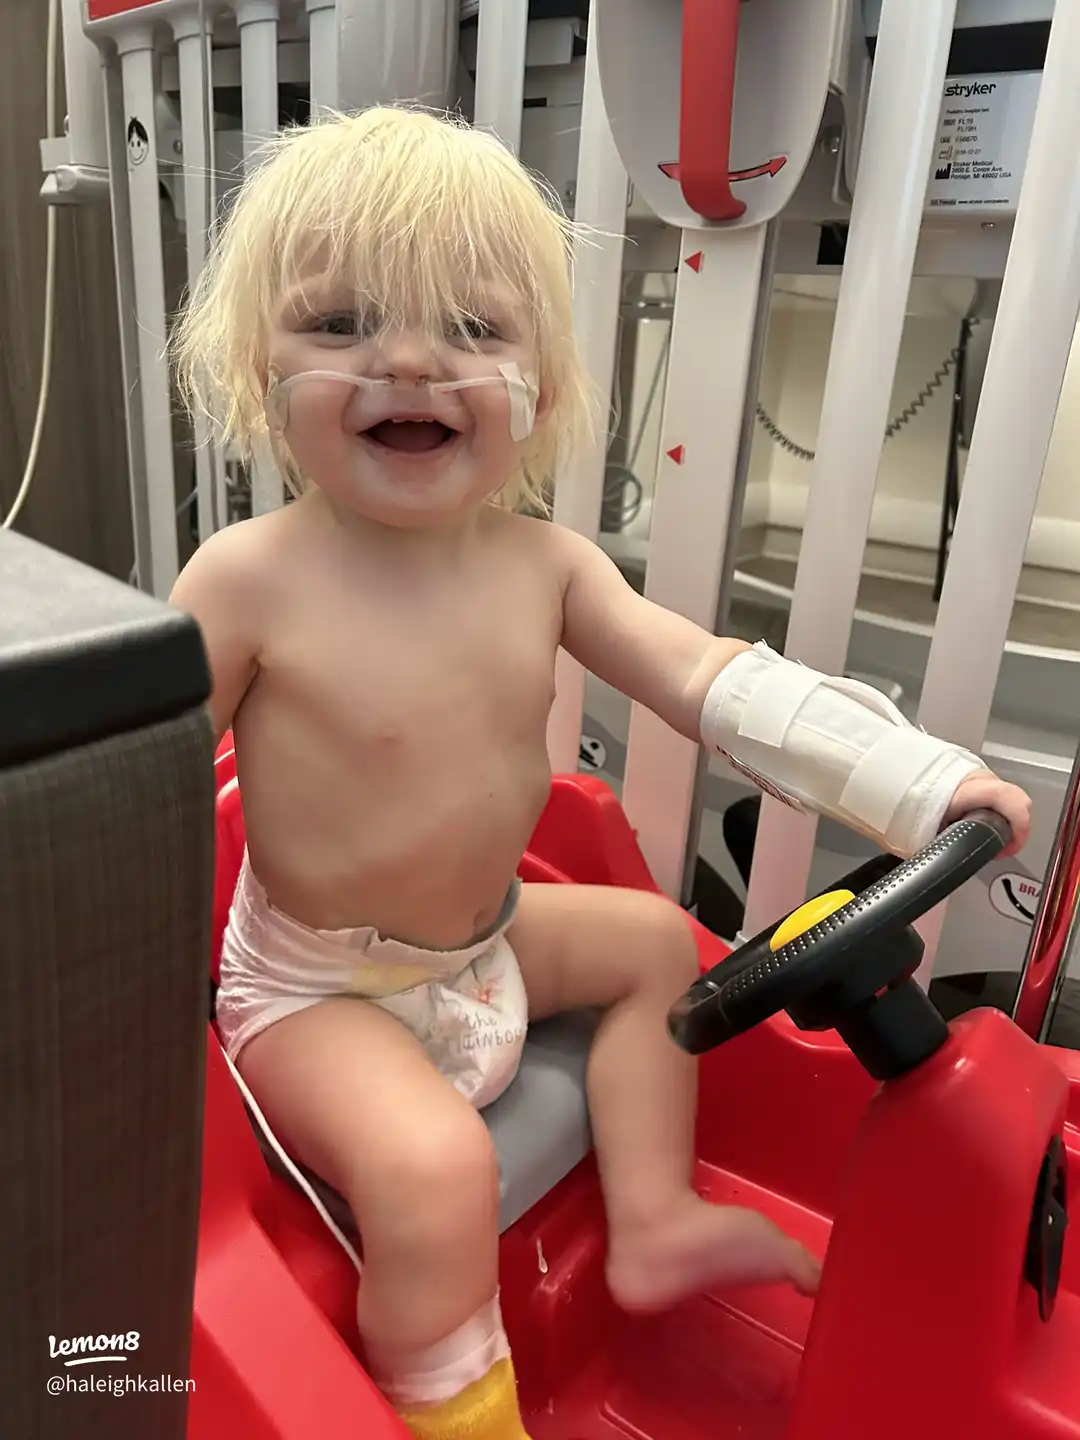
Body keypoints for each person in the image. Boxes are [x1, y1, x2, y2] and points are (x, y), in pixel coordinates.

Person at [168, 106, 1031, 1440]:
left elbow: (706, 678)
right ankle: (454, 1401)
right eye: (338, 324)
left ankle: (655, 1223)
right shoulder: (246, 580)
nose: (407, 361)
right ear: (252, 367)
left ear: (548, 389)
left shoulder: (548, 567)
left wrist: (913, 781)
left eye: (474, 329)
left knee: (650, 943)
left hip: (487, 941)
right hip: (315, 986)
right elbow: (141, 781)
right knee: (434, 1169)